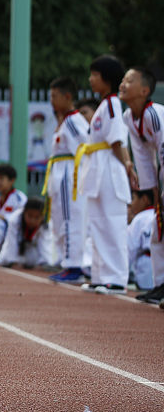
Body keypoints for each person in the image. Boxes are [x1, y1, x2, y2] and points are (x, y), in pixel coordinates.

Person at [77, 54, 133, 294]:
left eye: (95, 75)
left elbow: (117, 141)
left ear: (107, 79)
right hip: (97, 170)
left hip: (110, 170)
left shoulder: (112, 104)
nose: (91, 80)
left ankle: (117, 278)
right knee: (98, 224)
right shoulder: (103, 105)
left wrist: (127, 167)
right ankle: (100, 275)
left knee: (112, 224)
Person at [119, 66, 164, 303]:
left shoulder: (154, 114)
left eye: (130, 80)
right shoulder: (129, 117)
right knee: (158, 231)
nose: (123, 84)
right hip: (160, 177)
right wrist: (153, 191)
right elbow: (144, 157)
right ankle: (160, 285)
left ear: (144, 90)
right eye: (123, 80)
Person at [44, 76, 88, 284]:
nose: (51, 101)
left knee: (71, 218)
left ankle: (74, 264)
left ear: (67, 96)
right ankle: (66, 261)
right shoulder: (64, 122)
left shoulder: (72, 121)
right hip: (59, 172)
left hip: (69, 173)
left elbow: (84, 147)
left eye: (54, 96)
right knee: (60, 219)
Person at [0, 197, 48, 269]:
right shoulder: (14, 219)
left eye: (37, 217)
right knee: (4, 258)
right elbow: (12, 242)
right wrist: (13, 261)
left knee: (41, 260)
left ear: (42, 217)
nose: (32, 220)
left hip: (31, 252)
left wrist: (42, 263)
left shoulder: (46, 225)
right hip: (16, 250)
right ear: (24, 212)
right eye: (30, 216)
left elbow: (44, 246)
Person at [127, 190, 155, 294]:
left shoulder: (140, 218)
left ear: (145, 199)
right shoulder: (158, 215)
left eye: (133, 198)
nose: (131, 203)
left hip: (146, 270)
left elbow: (129, 249)